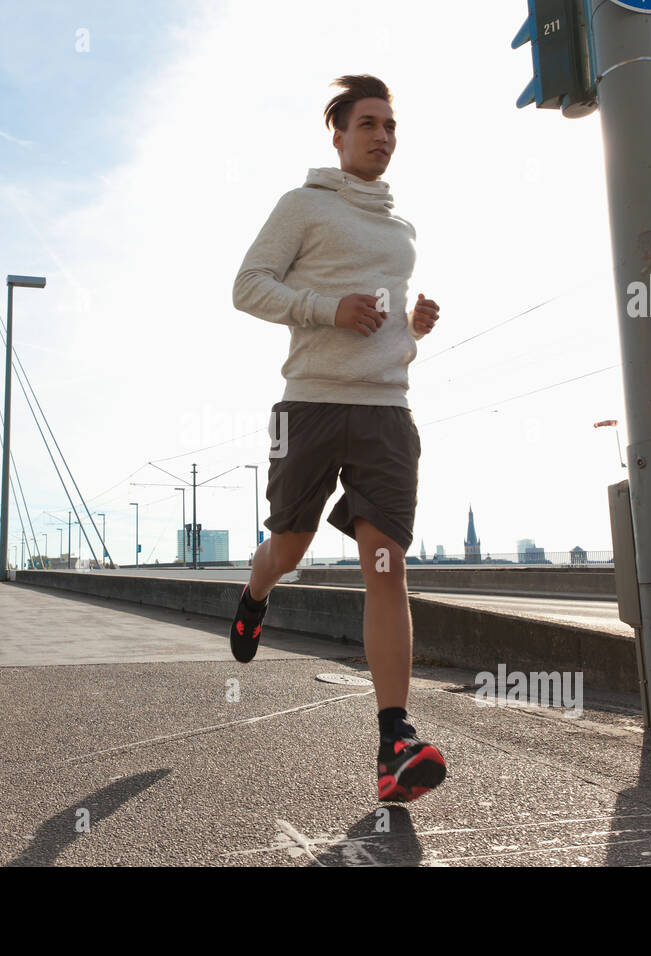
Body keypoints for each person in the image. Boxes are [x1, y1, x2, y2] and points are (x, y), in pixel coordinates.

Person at [227, 74, 445, 803]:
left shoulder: (403, 230)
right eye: (369, 123)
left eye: (391, 126)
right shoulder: (303, 206)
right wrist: (324, 308)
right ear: (338, 134)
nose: (383, 136)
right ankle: (257, 592)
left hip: (386, 409)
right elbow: (249, 286)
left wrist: (408, 326)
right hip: (311, 405)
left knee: (386, 567)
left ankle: (394, 741)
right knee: (288, 546)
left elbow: (378, 317)